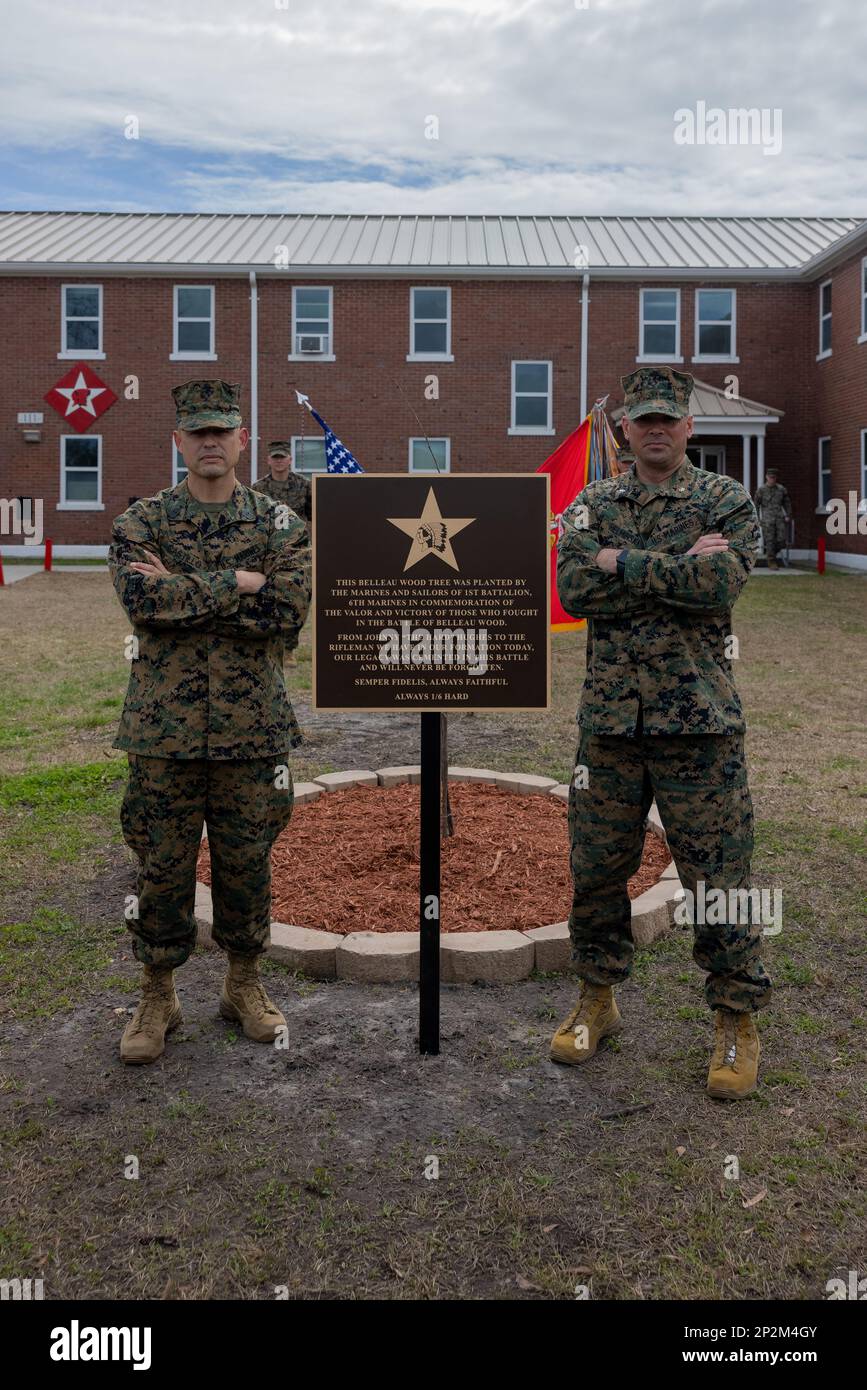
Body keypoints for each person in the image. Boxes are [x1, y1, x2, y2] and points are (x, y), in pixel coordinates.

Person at [552, 366, 772, 1100]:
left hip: (698, 724)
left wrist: (622, 562)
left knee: (720, 876)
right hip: (610, 723)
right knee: (595, 869)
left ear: (687, 427)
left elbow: (720, 586)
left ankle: (734, 1017)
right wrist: (670, 567)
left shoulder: (724, 500)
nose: (651, 429)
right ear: (622, 428)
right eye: (638, 418)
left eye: (664, 418)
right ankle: (596, 998)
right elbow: (574, 588)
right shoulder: (591, 502)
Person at [108, 381, 311, 1065]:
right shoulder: (143, 521)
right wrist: (239, 582)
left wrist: (185, 587)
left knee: (246, 862)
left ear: (243, 438)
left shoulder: (278, 523)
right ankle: (158, 993)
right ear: (178, 442)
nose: (211, 442)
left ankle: (242, 984)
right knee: (160, 866)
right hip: (162, 730)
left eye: (222, 431)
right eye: (198, 432)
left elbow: (284, 616)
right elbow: (143, 604)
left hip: (251, 730)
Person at [253, 441, 312, 527]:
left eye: (282, 457)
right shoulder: (258, 488)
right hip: (270, 538)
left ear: (290, 460)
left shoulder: (304, 484)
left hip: (298, 538)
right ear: (269, 460)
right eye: (275, 457)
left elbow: (314, 515)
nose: (279, 461)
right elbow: (253, 518)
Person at [754, 467, 792, 569]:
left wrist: (788, 515)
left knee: (781, 541)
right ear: (766, 477)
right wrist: (757, 518)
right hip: (767, 520)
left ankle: (772, 555)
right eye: (770, 477)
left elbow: (787, 503)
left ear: (776, 478)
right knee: (770, 541)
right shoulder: (761, 490)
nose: (772, 479)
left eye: (774, 477)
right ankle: (771, 562)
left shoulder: (781, 489)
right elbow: (756, 505)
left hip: (779, 518)